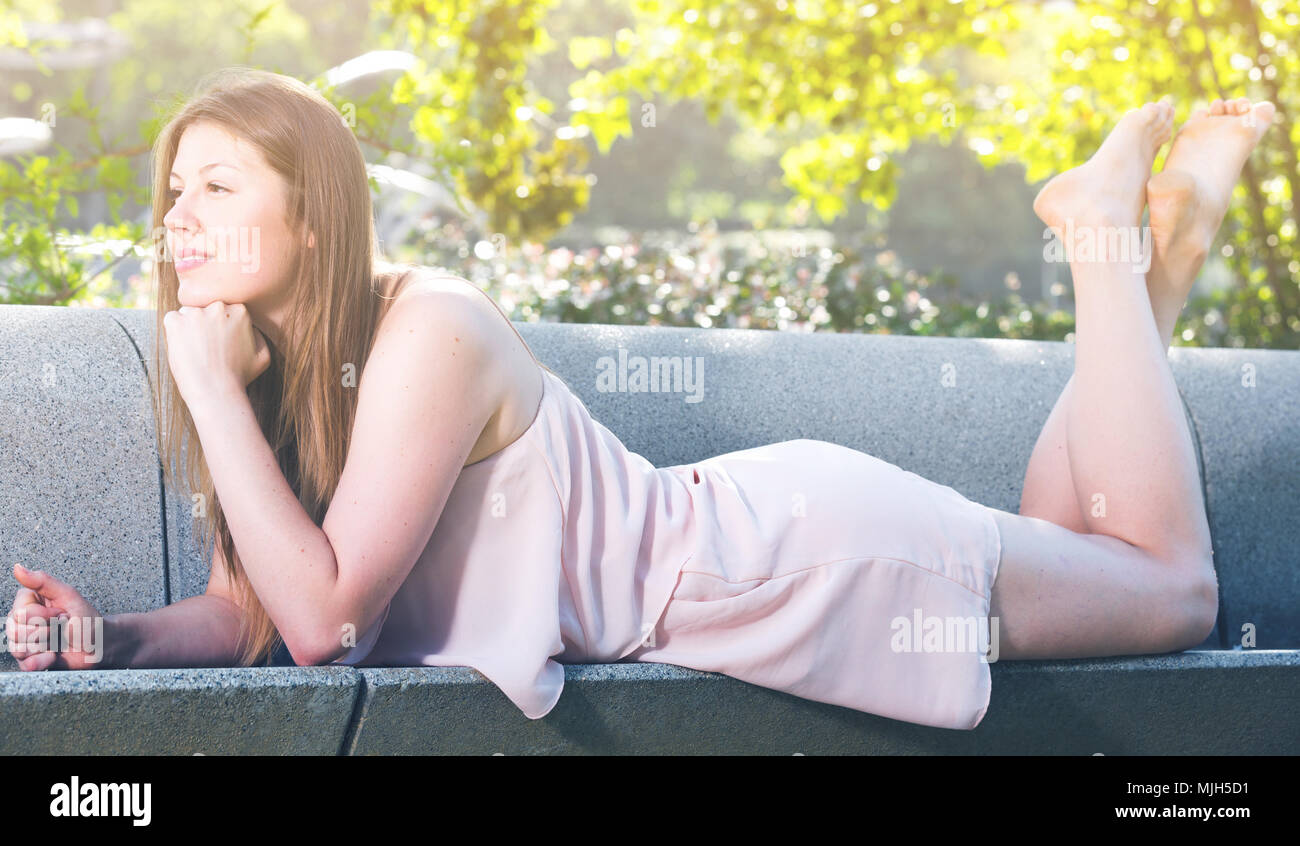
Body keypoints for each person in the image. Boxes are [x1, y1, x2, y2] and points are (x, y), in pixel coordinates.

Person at [6, 68, 1273, 731]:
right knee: (1088, 536)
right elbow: (248, 618)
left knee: (1170, 590)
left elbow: (325, 624)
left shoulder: (428, 324)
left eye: (219, 187)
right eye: (175, 190)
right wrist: (103, 640)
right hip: (765, 556)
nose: (179, 217)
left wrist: (203, 392)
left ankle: (1104, 239)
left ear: (313, 210)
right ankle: (1151, 263)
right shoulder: (281, 378)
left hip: (785, 567)